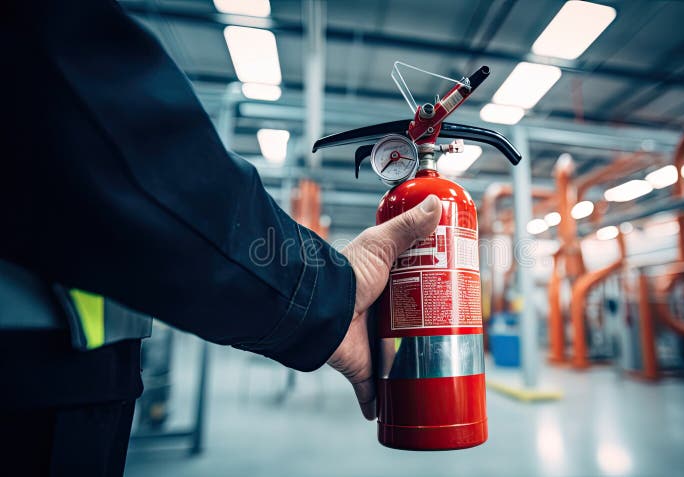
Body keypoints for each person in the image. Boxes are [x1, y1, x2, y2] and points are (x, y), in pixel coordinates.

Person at [0, 1, 442, 475]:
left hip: (58, 372)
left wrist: (328, 303)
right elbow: (119, 144)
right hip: (31, 379)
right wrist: (327, 295)